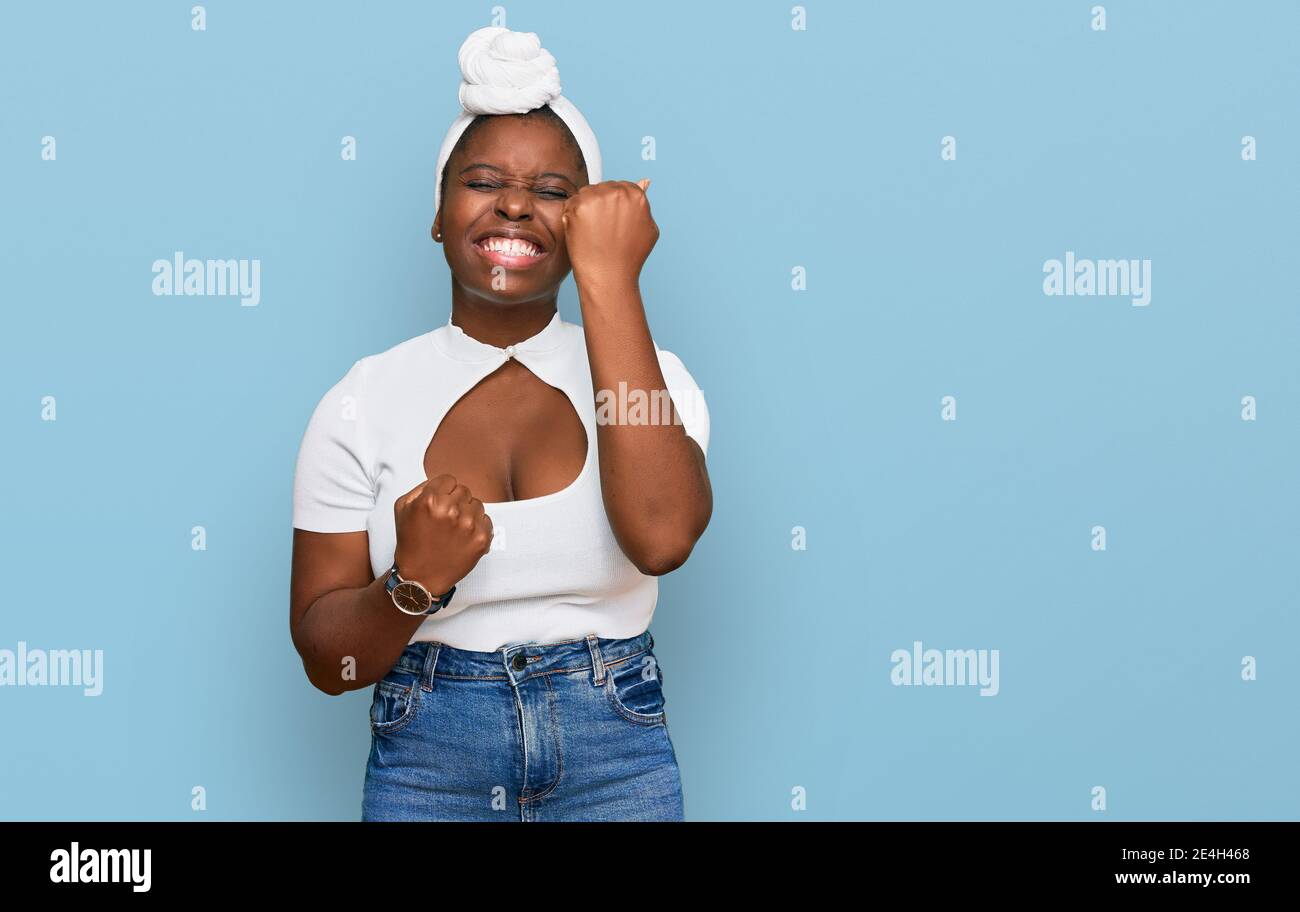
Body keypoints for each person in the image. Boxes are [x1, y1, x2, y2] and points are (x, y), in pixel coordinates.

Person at [289, 25, 712, 822]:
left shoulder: (656, 377)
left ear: (586, 223)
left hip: (615, 754)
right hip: (428, 760)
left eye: (555, 192)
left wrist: (611, 280)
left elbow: (662, 536)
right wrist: (411, 588)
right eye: (483, 182)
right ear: (439, 215)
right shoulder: (360, 401)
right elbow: (328, 660)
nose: (516, 203)